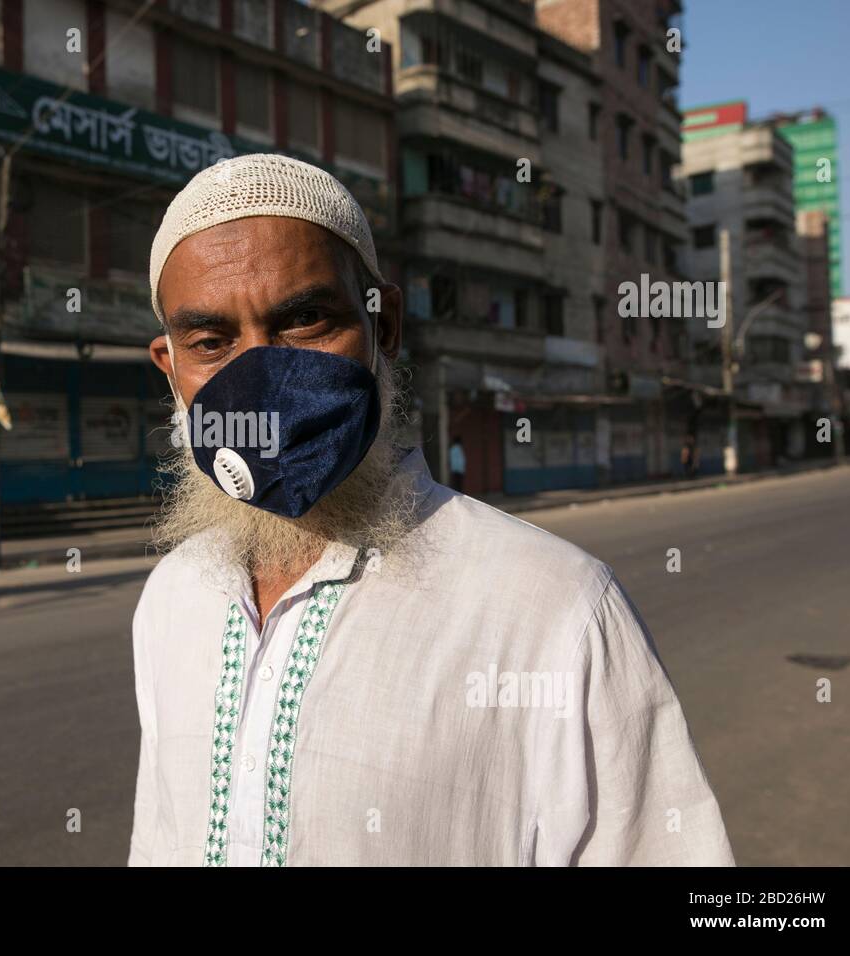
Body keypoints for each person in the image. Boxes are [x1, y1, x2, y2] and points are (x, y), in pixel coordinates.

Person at [128, 153, 734, 867]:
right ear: (171, 370)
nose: (260, 380)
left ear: (384, 329)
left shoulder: (558, 610)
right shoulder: (171, 598)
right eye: (211, 342)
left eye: (304, 321)